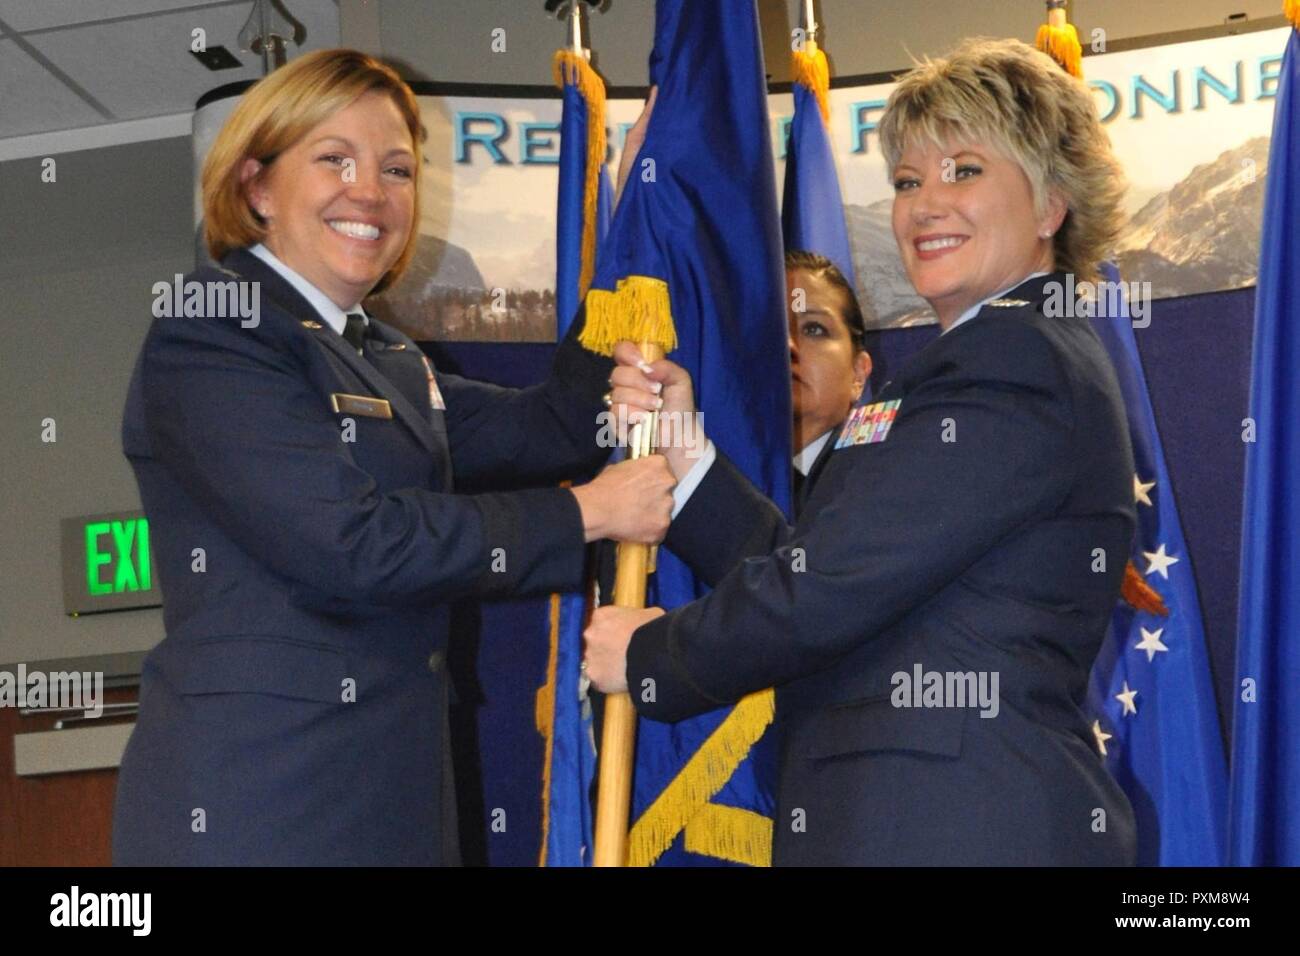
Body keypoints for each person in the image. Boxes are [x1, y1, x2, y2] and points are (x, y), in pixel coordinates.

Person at [114, 49, 674, 866]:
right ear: (256, 186)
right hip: (259, 806)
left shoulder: (387, 357)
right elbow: (349, 544)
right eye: (332, 159)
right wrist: (591, 512)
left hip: (397, 804)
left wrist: (633, 216)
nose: (370, 191)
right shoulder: (214, 328)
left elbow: (551, 428)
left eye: (397, 169)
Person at [588, 38, 1138, 865]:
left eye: (964, 171)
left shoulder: (1015, 359)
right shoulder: (963, 367)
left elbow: (832, 588)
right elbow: (822, 564)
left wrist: (651, 654)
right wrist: (681, 447)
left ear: (1053, 203)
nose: (924, 206)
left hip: (961, 832)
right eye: (908, 182)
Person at [785, 250, 873, 500]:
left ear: (858, 373)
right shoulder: (710, 474)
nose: (788, 345)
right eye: (771, 328)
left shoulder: (887, 474)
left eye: (813, 329)